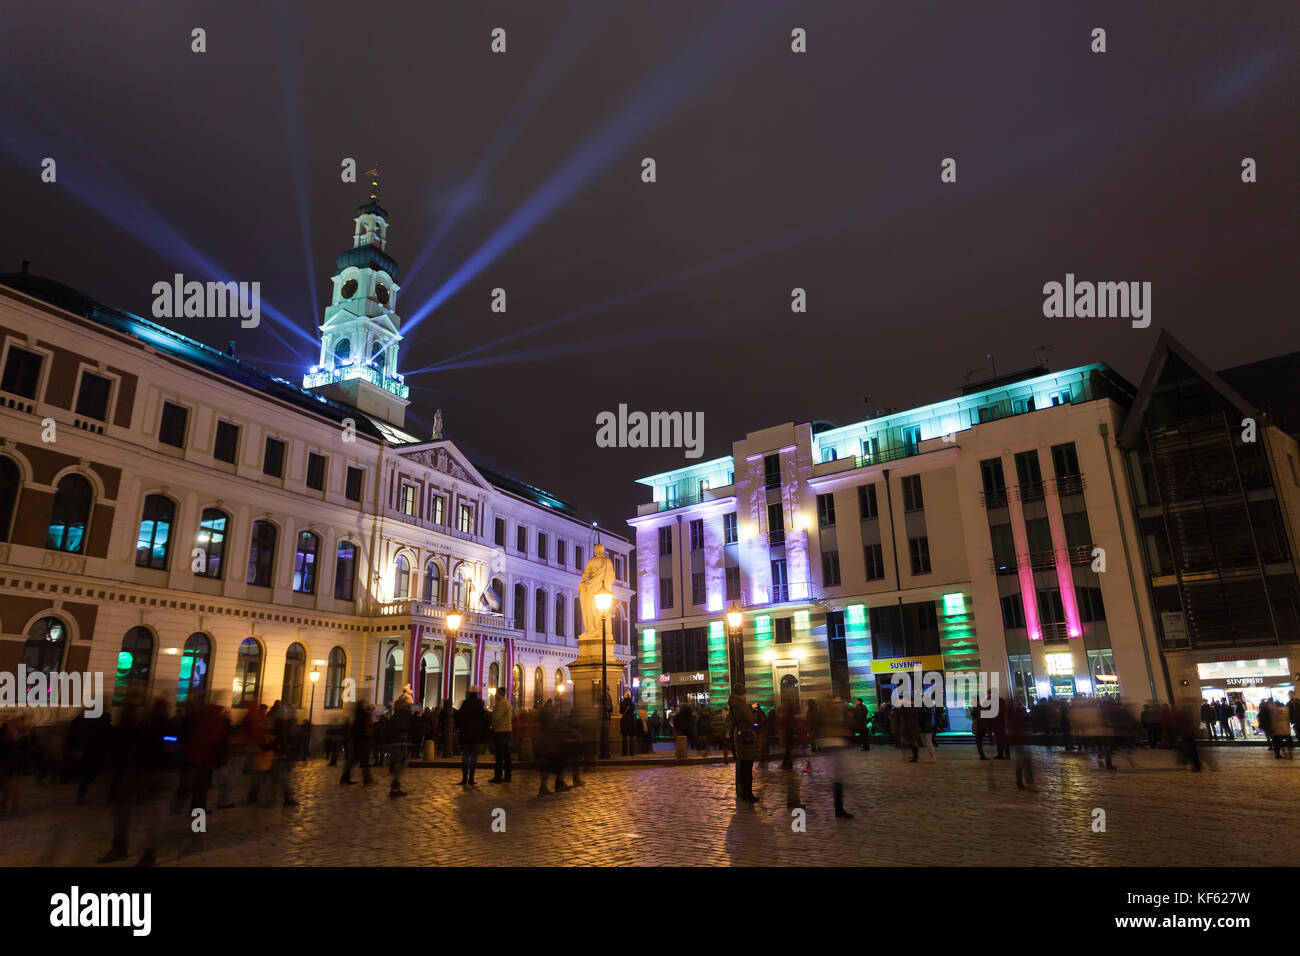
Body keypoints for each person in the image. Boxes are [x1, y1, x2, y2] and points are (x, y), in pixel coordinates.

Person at [727, 683, 759, 806]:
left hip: (738, 734)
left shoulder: (732, 704)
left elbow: (730, 720)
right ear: (742, 693)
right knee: (747, 766)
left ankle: (743, 792)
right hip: (746, 736)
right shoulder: (740, 704)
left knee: (743, 765)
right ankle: (748, 794)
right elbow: (751, 720)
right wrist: (753, 711)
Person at [455, 687, 489, 785]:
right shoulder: (480, 703)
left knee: (465, 756)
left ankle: (464, 778)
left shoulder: (465, 703)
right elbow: (483, 719)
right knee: (474, 757)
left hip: (465, 734)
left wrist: (461, 728)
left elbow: (458, 717)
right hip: (476, 735)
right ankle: (471, 778)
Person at [339, 702, 375, 785]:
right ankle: (367, 780)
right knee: (362, 761)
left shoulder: (360, 718)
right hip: (360, 743)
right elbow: (362, 732)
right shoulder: (364, 719)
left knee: (354, 761)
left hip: (359, 742)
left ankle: (345, 778)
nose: (372, 712)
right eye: (371, 710)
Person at [489, 688, 513, 783]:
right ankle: (507, 776)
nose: (495, 695)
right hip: (507, 731)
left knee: (499, 756)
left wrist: (493, 726)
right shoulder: (507, 702)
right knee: (506, 756)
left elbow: (497, 717)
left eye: (497, 693)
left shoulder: (501, 703)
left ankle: (498, 777)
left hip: (500, 731)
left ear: (500, 694)